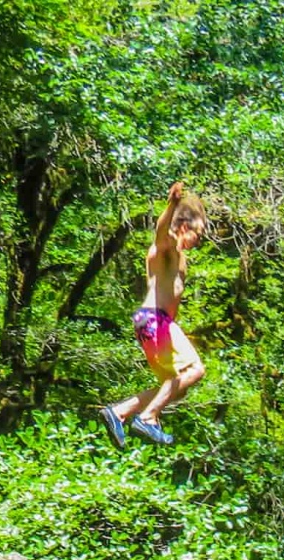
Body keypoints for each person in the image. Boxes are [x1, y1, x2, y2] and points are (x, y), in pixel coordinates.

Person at [98, 183, 207, 447]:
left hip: (153, 323)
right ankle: (147, 418)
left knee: (175, 389)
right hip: (154, 319)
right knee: (195, 369)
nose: (199, 240)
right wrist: (171, 206)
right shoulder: (166, 250)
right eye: (198, 233)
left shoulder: (180, 257)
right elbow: (160, 233)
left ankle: (120, 412)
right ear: (184, 226)